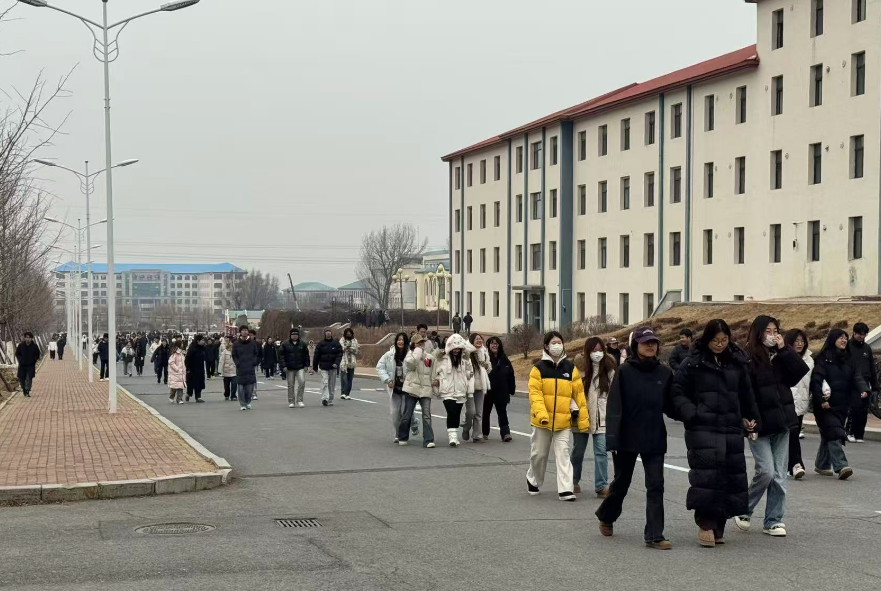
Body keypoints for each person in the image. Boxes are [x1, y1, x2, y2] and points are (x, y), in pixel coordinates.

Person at [670, 320, 760, 548]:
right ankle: (705, 524)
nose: (720, 345)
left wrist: (750, 417)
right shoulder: (693, 362)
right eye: (715, 340)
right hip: (702, 428)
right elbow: (677, 391)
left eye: (724, 340)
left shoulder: (737, 362)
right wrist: (692, 413)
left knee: (729, 476)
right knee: (706, 476)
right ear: (706, 339)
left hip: (730, 427)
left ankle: (719, 525)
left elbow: (746, 393)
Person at [596, 326, 672, 550]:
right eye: (645, 342)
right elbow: (614, 407)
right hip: (626, 437)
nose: (650, 345)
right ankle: (606, 516)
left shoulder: (665, 373)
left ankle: (654, 535)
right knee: (622, 482)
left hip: (654, 436)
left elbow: (673, 404)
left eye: (653, 342)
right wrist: (612, 439)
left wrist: (692, 412)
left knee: (656, 485)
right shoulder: (624, 371)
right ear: (635, 345)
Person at [735, 315, 809, 538]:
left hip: (782, 421)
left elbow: (799, 372)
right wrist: (746, 418)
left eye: (775, 330)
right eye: (767, 331)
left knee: (779, 474)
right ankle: (744, 509)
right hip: (758, 424)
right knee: (766, 471)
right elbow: (742, 391)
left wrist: (784, 349)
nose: (772, 335)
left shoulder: (780, 355)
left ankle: (774, 520)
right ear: (758, 333)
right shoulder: (747, 358)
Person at [526, 331, 588, 502]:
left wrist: (583, 419)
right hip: (542, 421)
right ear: (546, 346)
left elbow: (579, 395)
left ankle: (566, 489)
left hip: (563, 421)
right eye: (553, 343)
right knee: (539, 454)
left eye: (559, 342)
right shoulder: (538, 368)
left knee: (563, 454)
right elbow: (535, 395)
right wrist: (542, 414)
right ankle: (533, 478)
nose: (557, 346)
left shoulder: (570, 368)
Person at [811, 329, 860, 480]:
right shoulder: (823, 359)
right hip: (825, 406)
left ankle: (822, 464)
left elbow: (855, 379)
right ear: (833, 340)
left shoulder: (848, 359)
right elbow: (816, 381)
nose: (844, 340)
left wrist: (862, 391)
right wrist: (821, 400)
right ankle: (841, 465)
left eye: (845, 338)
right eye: (840, 338)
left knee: (829, 434)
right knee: (835, 433)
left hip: (842, 405)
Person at [572, 337, 616, 498]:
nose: (597, 353)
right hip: (581, 415)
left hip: (602, 417)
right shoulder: (578, 369)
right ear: (587, 351)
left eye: (600, 350)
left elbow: (614, 393)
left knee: (601, 452)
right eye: (593, 350)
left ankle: (601, 486)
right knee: (578, 451)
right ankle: (573, 481)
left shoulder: (610, 369)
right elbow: (572, 391)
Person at [434, 333, 474, 447]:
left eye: (458, 348)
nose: (456, 350)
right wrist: (436, 382)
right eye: (454, 348)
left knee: (456, 413)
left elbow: (469, 371)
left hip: (460, 390)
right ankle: (452, 436)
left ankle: (455, 435)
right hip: (447, 390)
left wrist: (469, 374)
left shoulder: (464, 359)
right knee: (451, 412)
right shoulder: (442, 359)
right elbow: (435, 372)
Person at [784, 329, 813, 479]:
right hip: (788, 402)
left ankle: (789, 465)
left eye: (802, 341)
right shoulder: (784, 357)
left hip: (802, 403)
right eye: (796, 341)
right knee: (793, 433)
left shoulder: (809, 360)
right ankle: (796, 464)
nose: (800, 344)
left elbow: (813, 380)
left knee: (792, 435)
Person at [399, 334, 436, 447]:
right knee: (408, 414)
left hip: (425, 388)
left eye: (422, 343)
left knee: (426, 415)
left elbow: (433, 373)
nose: (421, 345)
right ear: (413, 344)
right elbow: (410, 365)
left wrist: (435, 385)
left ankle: (428, 440)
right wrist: (417, 352)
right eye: (418, 343)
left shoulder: (430, 357)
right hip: (412, 389)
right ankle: (402, 436)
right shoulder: (410, 355)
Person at [377, 332, 411, 442]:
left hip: (407, 390)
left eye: (403, 340)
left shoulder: (411, 355)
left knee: (405, 412)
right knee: (395, 413)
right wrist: (387, 379)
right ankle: (398, 433)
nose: (400, 342)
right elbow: (380, 367)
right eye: (399, 340)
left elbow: (415, 369)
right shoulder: (389, 355)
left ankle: (407, 430)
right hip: (395, 390)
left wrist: (409, 378)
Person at [846, 322, 876, 443]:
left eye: (864, 334)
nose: (861, 336)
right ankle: (849, 432)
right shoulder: (847, 346)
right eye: (859, 334)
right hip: (852, 382)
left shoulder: (867, 348)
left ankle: (859, 434)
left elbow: (872, 368)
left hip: (865, 381)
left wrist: (875, 385)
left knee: (863, 410)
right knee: (854, 408)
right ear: (854, 333)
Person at [484, 336, 514, 442]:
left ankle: (505, 433)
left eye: (496, 343)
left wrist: (511, 389)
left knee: (502, 412)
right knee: (485, 412)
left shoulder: (504, 359)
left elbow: (511, 375)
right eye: (492, 343)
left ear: (499, 345)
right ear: (488, 346)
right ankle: (484, 433)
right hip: (487, 390)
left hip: (502, 390)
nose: (494, 345)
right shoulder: (485, 358)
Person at [463, 333, 491, 442]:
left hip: (480, 385)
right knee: (471, 412)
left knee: (479, 413)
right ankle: (466, 427)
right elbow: (462, 367)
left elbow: (489, 367)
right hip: (469, 386)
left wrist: (487, 366)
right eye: (476, 339)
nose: (479, 341)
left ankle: (477, 435)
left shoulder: (484, 351)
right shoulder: (466, 351)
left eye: (480, 339)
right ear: (471, 341)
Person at [281, 328, 311, 408]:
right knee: (291, 384)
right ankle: (291, 401)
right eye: (293, 335)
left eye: (296, 335)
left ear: (298, 335)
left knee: (302, 382)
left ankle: (300, 400)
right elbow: (281, 356)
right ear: (290, 335)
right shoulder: (285, 344)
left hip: (300, 367)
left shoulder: (302, 344)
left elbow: (306, 355)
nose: (294, 336)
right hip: (289, 368)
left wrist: (306, 365)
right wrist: (284, 366)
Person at [313, 328, 343, 406]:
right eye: (327, 332)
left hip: (333, 367)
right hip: (323, 367)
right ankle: (325, 398)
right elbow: (316, 356)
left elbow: (339, 354)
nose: (328, 333)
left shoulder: (336, 343)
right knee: (325, 382)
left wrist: (336, 363)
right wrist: (315, 366)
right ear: (325, 334)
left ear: (331, 333)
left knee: (331, 384)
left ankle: (330, 399)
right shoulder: (320, 344)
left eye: (329, 332)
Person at [232, 325, 260, 410]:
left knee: (249, 388)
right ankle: (242, 404)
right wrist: (237, 363)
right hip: (240, 367)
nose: (244, 332)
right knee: (241, 387)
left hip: (250, 367)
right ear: (240, 332)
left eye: (246, 330)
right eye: (243, 330)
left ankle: (248, 402)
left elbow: (256, 354)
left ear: (248, 332)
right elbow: (234, 355)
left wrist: (254, 362)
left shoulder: (252, 343)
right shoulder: (236, 343)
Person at [15, 332, 41, 397]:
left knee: (28, 378)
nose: (28, 339)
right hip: (22, 365)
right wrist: (20, 360)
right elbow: (17, 354)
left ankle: (27, 390)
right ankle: (24, 389)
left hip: (30, 365)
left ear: (31, 338)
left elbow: (37, 354)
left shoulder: (34, 346)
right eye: (26, 337)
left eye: (29, 337)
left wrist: (34, 360)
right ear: (24, 338)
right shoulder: (21, 345)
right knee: (22, 378)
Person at [339, 327, 360, 400]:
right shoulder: (342, 340)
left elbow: (357, 350)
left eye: (349, 334)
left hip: (352, 362)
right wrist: (345, 348)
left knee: (350, 378)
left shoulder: (355, 340)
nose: (348, 335)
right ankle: (343, 393)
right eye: (347, 334)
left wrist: (351, 349)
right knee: (344, 378)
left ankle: (347, 393)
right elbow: (340, 348)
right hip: (344, 361)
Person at [184, 335, 207, 403]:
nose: (203, 341)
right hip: (192, 369)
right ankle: (188, 394)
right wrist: (188, 368)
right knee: (191, 383)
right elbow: (187, 359)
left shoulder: (202, 348)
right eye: (202, 340)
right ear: (198, 341)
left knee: (199, 383)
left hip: (200, 368)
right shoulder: (192, 348)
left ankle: (198, 397)